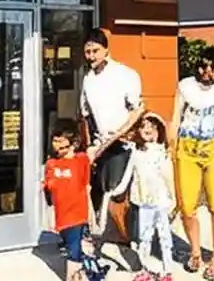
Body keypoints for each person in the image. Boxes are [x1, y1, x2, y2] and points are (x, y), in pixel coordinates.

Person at [169, 46, 214, 281]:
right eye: (203, 66)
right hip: (188, 149)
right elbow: (175, 119)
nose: (207, 72)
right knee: (187, 207)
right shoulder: (185, 86)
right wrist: (170, 147)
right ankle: (195, 253)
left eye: (213, 68)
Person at [79, 28, 145, 246]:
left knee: (117, 194)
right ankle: (105, 235)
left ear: (106, 49)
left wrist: (122, 133)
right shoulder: (88, 79)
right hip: (100, 145)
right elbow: (86, 115)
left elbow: (138, 109)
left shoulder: (125, 74)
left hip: (122, 143)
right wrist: (90, 147)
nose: (91, 56)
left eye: (95, 51)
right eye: (87, 52)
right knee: (100, 192)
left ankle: (129, 239)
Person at [129, 113, 176, 281]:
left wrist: (174, 199)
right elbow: (129, 175)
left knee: (164, 235)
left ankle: (167, 270)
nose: (147, 130)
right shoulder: (136, 152)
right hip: (144, 200)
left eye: (152, 126)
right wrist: (115, 191)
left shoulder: (163, 153)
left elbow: (169, 177)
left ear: (159, 131)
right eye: (143, 126)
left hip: (161, 200)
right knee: (144, 235)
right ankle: (144, 268)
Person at [44, 122, 92, 281]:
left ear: (73, 143)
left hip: (77, 213)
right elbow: (49, 189)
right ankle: (83, 270)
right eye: (54, 140)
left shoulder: (82, 160)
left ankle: (73, 275)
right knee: (70, 243)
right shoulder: (51, 164)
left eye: (60, 141)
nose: (56, 145)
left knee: (73, 248)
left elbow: (86, 184)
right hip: (61, 213)